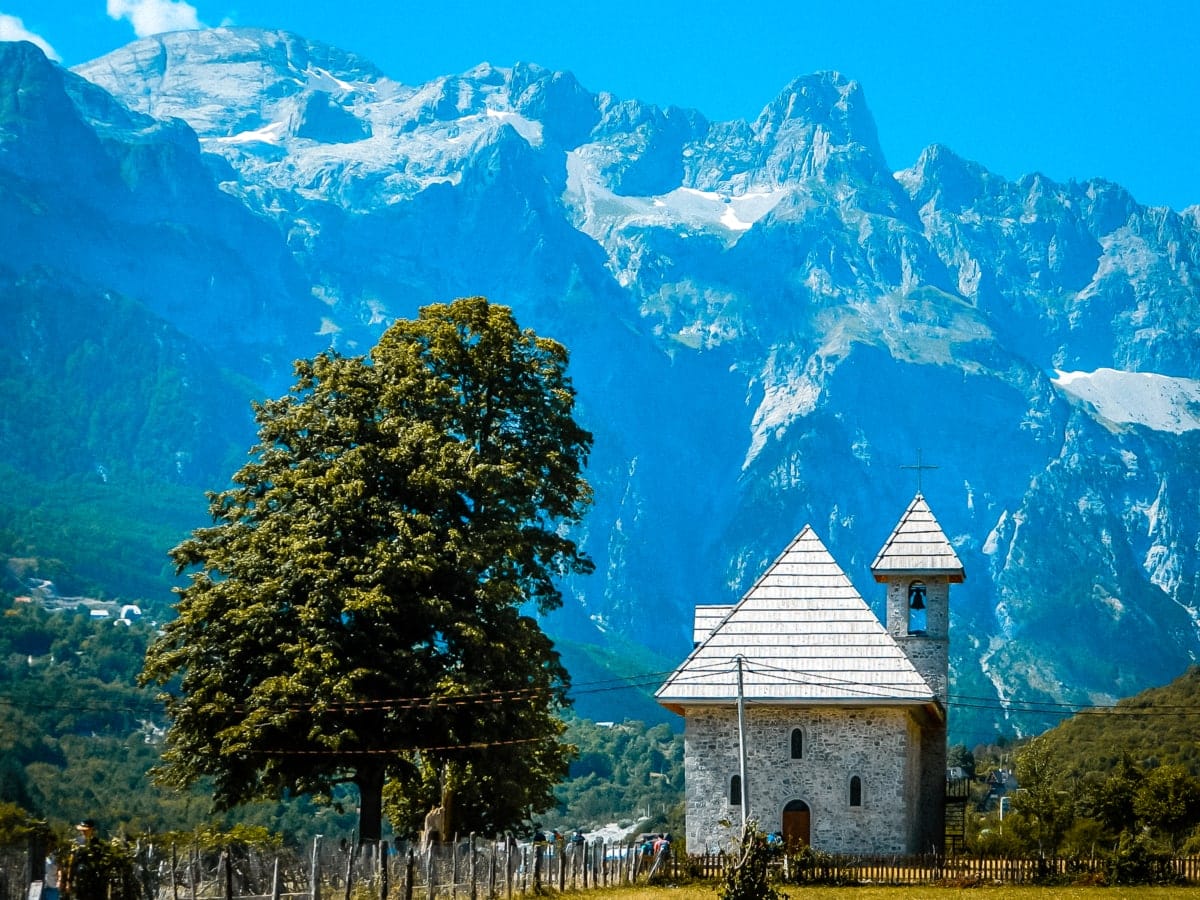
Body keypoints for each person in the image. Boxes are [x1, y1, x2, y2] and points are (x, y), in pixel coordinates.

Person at [62, 820, 107, 900]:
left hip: (94, 882)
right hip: (79, 880)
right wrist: (69, 881)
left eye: (85, 830)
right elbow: (71, 863)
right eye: (82, 830)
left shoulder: (98, 844)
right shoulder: (76, 842)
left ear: (92, 830)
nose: (83, 832)